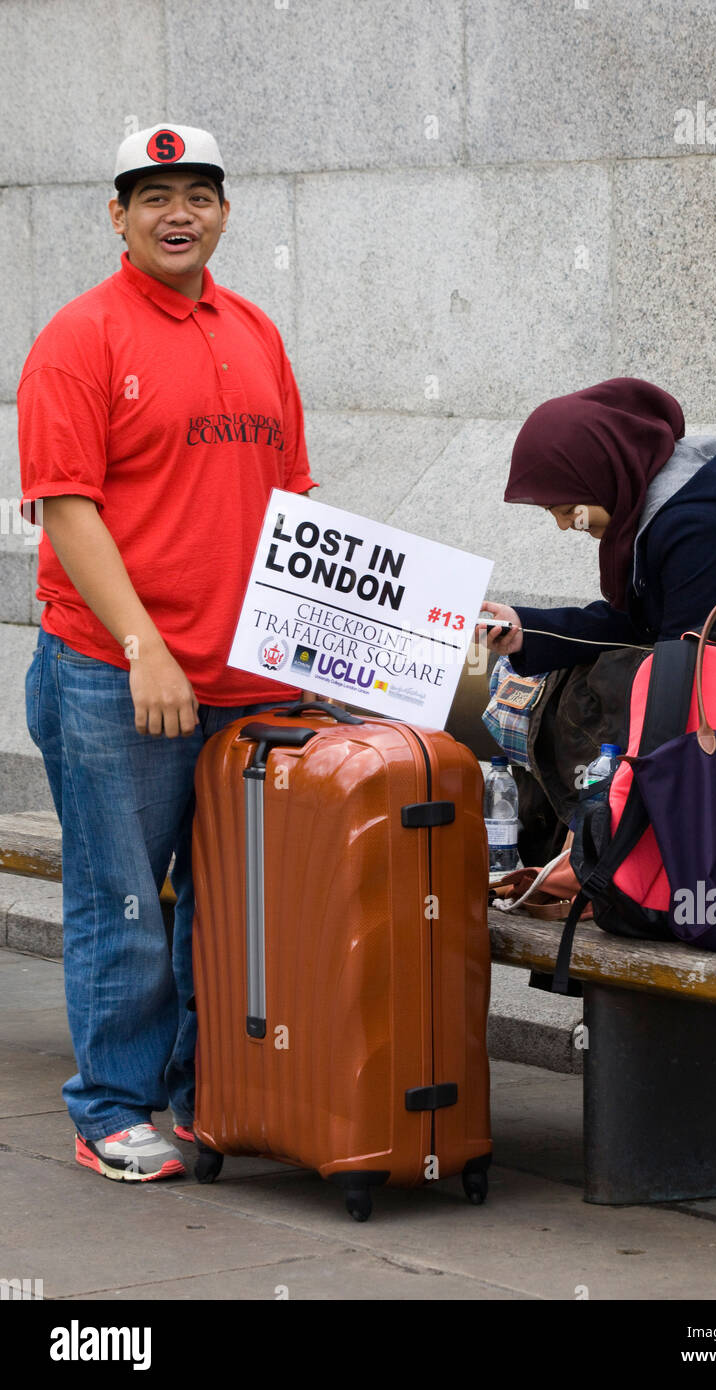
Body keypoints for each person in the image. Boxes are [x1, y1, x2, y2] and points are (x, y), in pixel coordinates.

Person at [18, 124, 319, 1182]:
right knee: (128, 900)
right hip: (115, 670)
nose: (176, 213)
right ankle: (111, 1107)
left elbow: (294, 507)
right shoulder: (80, 336)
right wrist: (146, 645)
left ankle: (202, 1091)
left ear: (225, 213)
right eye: (153, 198)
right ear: (117, 215)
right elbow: (65, 507)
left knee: (231, 903)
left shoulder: (254, 331)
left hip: (248, 676)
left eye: (196, 194)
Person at [477, 377, 716, 677]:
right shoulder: (662, 509)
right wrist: (528, 627)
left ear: (607, 475)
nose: (565, 525)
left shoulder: (698, 524)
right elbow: (645, 625)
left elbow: (683, 662)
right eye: (553, 512)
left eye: (568, 508)